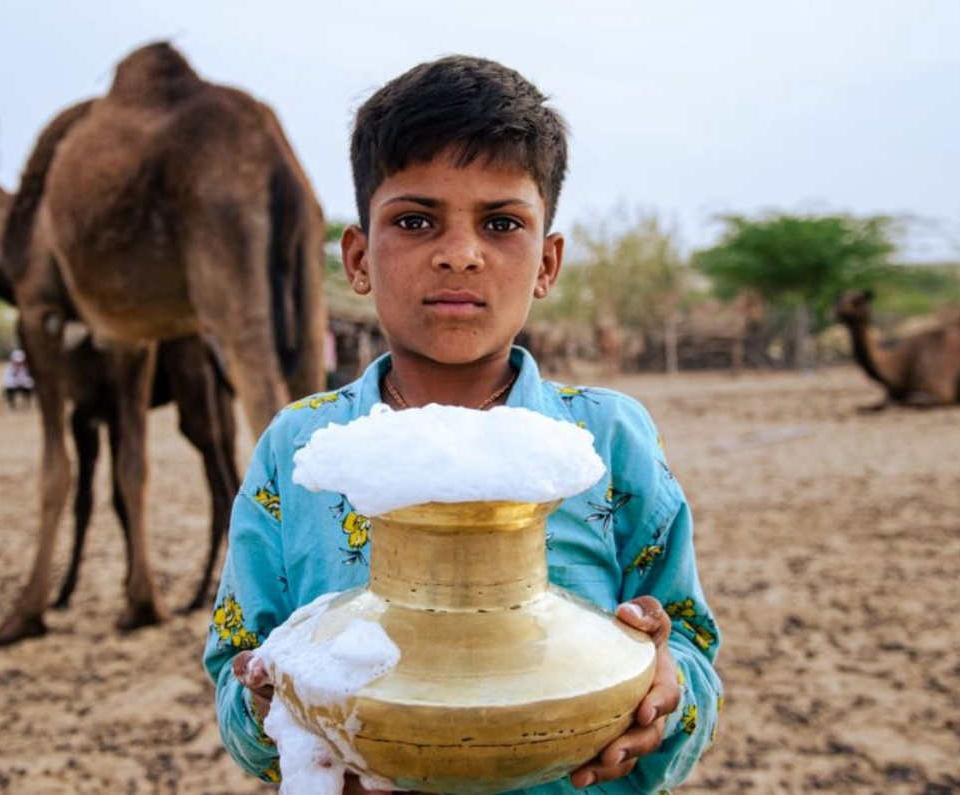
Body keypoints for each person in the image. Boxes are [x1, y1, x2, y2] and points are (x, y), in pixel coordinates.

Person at [204, 56, 721, 794]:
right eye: (415, 221)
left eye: (501, 223)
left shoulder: (608, 439)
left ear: (546, 263)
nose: (459, 253)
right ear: (358, 258)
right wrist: (271, 713)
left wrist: (664, 700)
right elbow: (234, 662)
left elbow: (693, 650)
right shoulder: (301, 446)